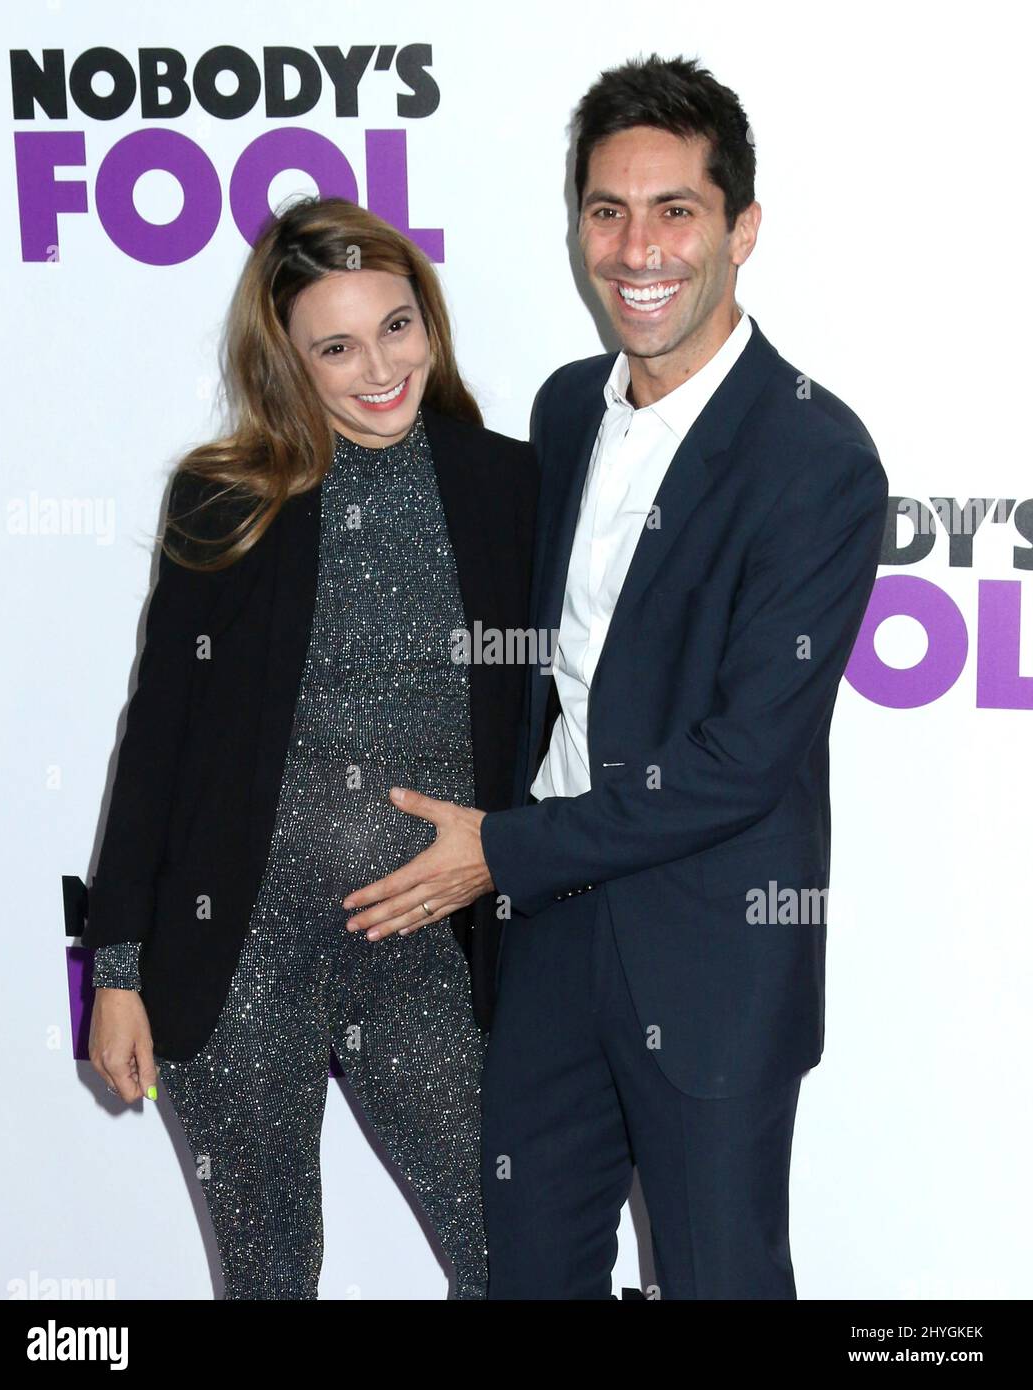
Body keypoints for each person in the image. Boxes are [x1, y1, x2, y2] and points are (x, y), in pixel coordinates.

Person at [340, 55, 890, 1299]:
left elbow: (744, 764)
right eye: (607, 210)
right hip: (548, 949)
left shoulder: (816, 455)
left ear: (741, 229)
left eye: (676, 211)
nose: (638, 248)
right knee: (527, 1278)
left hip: (707, 956)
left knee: (720, 1282)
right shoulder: (568, 412)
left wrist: (506, 851)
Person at [81, 194, 537, 1300]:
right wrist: (118, 970)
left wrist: (509, 847)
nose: (377, 366)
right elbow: (159, 744)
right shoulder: (228, 499)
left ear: (429, 320)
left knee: (514, 1256)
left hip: (428, 951)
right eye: (335, 345)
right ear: (285, 359)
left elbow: (557, 722)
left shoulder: (511, 485)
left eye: (396, 325)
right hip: (240, 956)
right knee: (272, 1276)